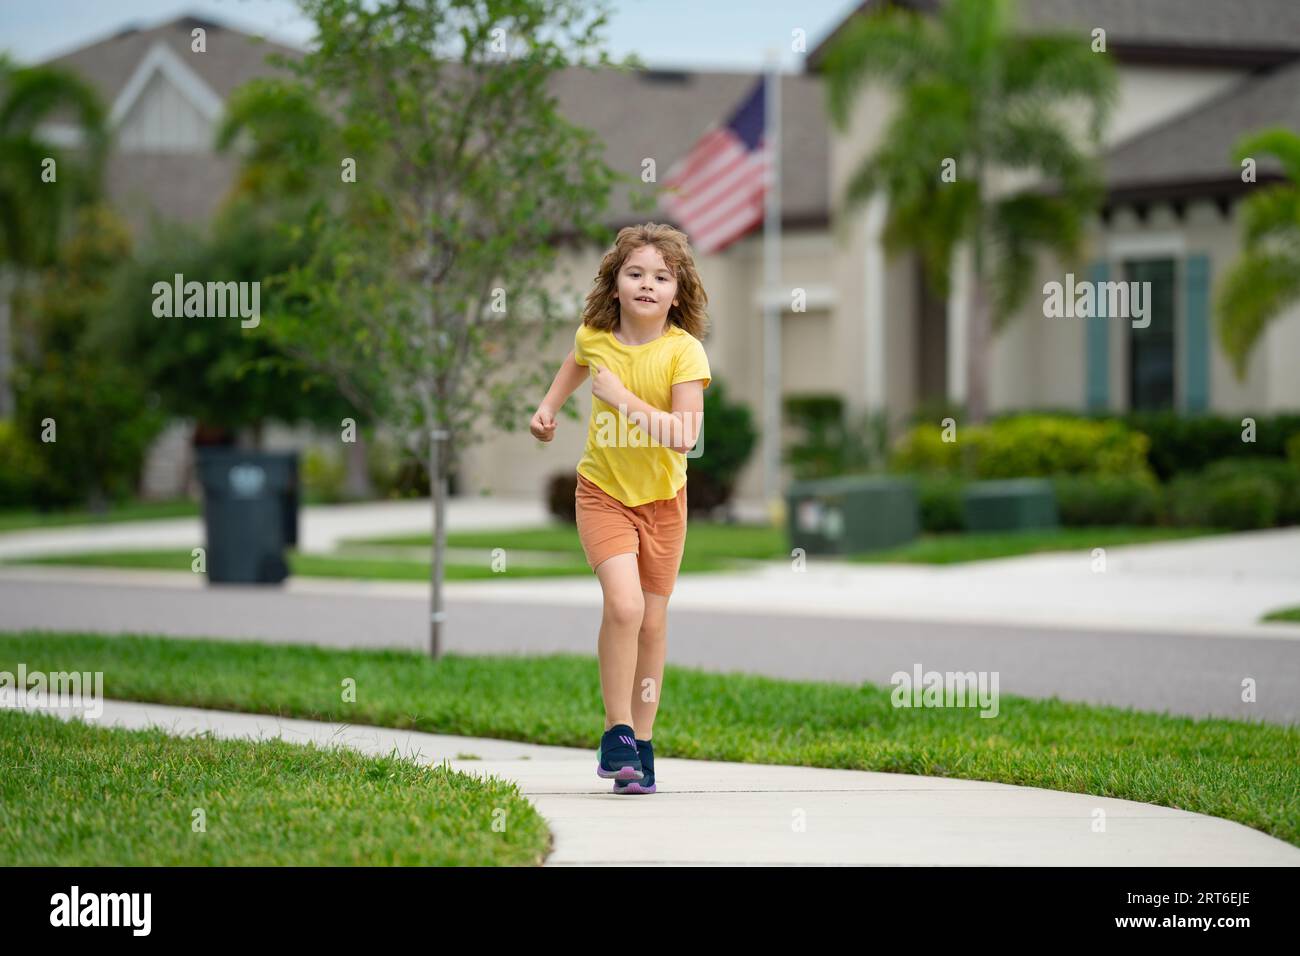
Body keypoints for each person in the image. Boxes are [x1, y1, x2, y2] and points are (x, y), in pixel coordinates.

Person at [529, 222, 712, 795]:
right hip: (602, 493)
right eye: (635, 274)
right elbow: (575, 361)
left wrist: (623, 400)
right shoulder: (595, 336)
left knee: (653, 623)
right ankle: (618, 733)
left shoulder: (685, 352)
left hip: (664, 502)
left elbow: (684, 436)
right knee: (626, 606)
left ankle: (643, 746)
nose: (648, 285)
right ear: (615, 285)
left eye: (662, 276)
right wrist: (548, 407)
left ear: (677, 292)